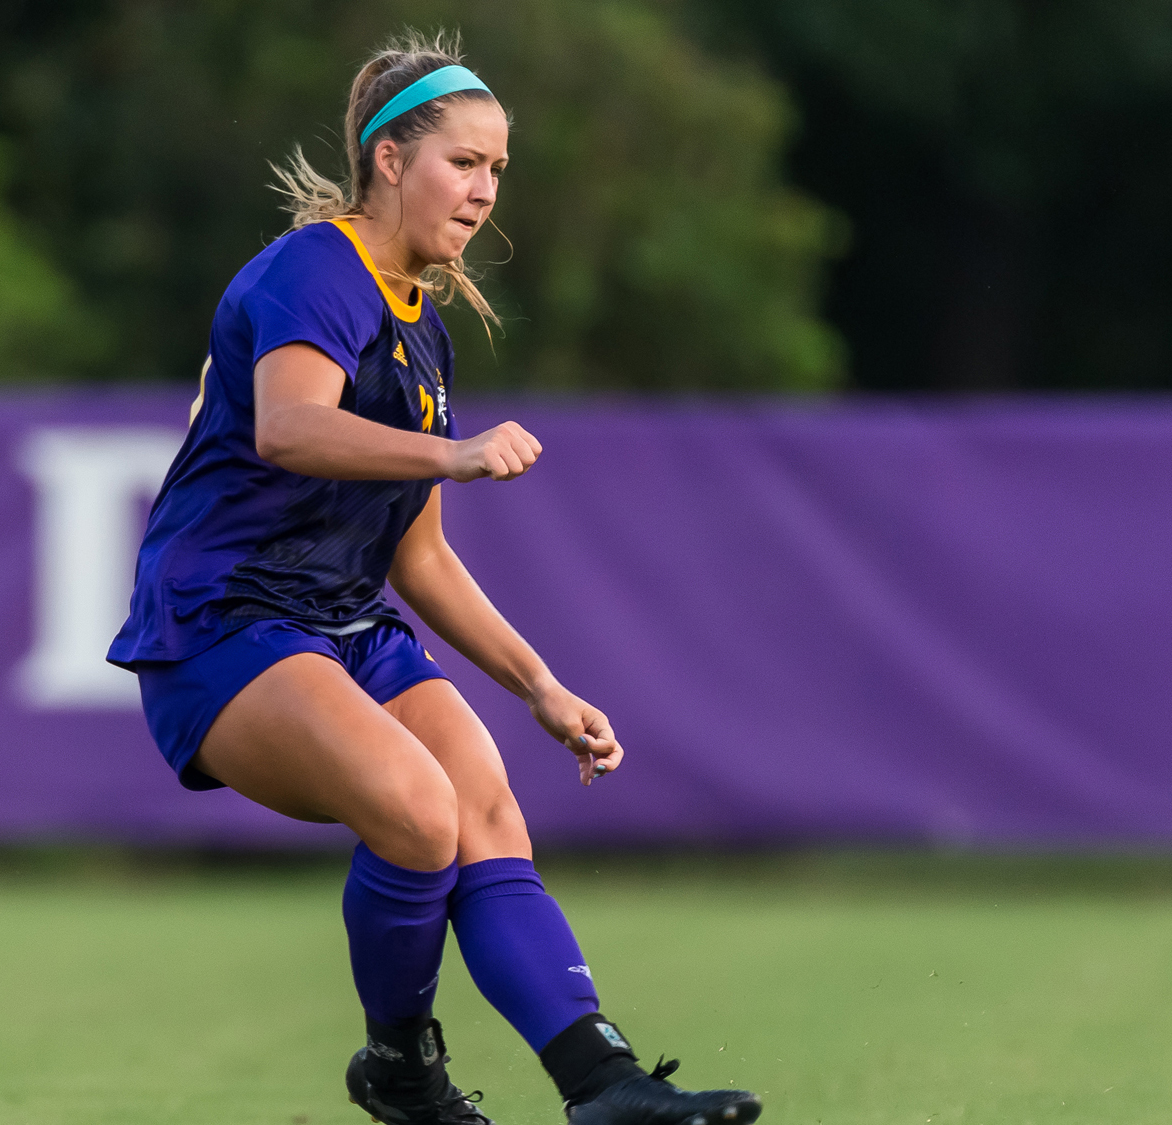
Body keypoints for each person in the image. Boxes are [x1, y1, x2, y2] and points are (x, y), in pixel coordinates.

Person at [107, 34, 761, 1125]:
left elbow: (420, 559)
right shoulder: (317, 267)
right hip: (218, 625)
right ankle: (402, 1070)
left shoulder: (427, 339)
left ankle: (604, 1085)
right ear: (389, 157)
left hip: (340, 625)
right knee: (416, 810)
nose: (484, 190)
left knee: (484, 805)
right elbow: (289, 428)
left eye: (497, 170)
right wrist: (452, 454)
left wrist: (541, 688)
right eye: (464, 162)